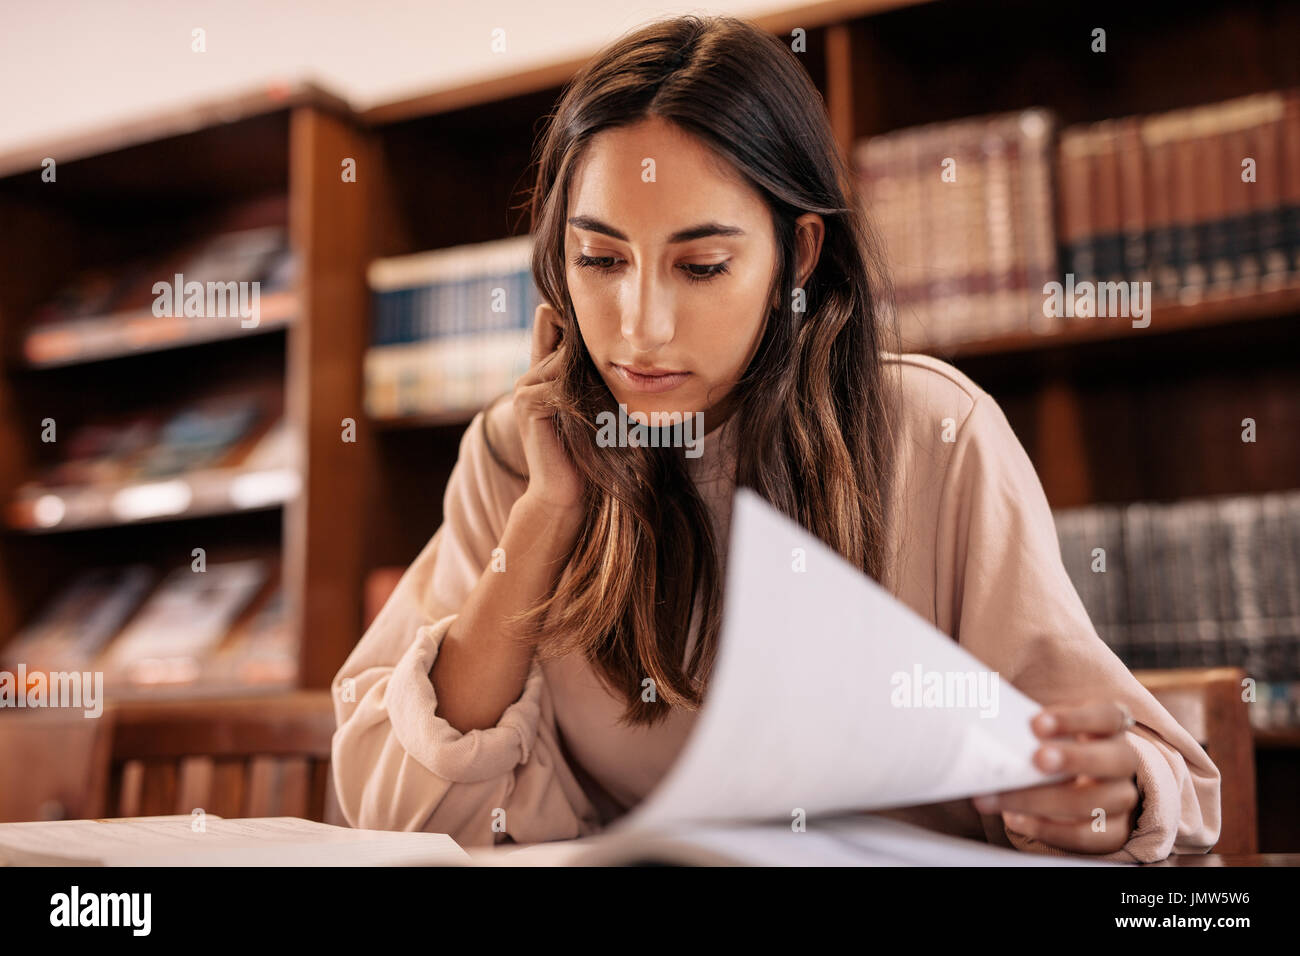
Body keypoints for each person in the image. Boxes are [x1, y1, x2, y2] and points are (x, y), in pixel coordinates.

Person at [331, 14, 1220, 861]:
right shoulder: (517, 453)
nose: (639, 329)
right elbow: (400, 804)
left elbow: (1133, 783)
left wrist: (1099, 799)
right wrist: (546, 516)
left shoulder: (934, 435)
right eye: (599, 260)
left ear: (796, 255)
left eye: (702, 266)